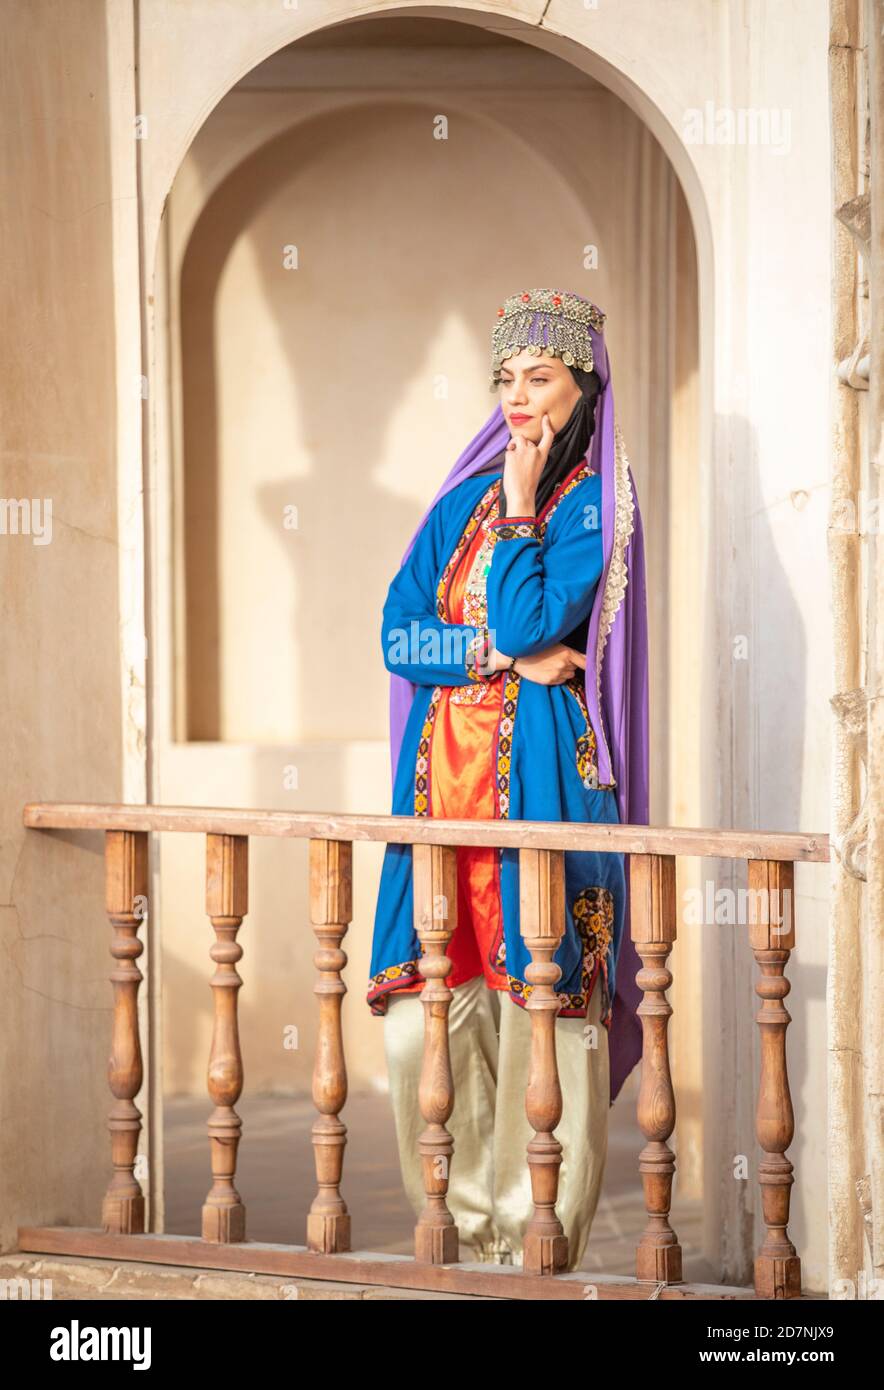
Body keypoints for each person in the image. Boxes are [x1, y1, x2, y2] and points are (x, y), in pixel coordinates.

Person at [367, 287, 649, 1270]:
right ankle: (461, 1234)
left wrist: (525, 513)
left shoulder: (593, 511)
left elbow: (539, 620)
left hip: (538, 788)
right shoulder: (457, 504)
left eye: (540, 378)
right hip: (440, 799)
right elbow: (398, 633)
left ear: (582, 386)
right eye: (506, 379)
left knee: (546, 1015)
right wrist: (500, 656)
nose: (518, 398)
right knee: (428, 1026)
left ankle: (534, 1245)